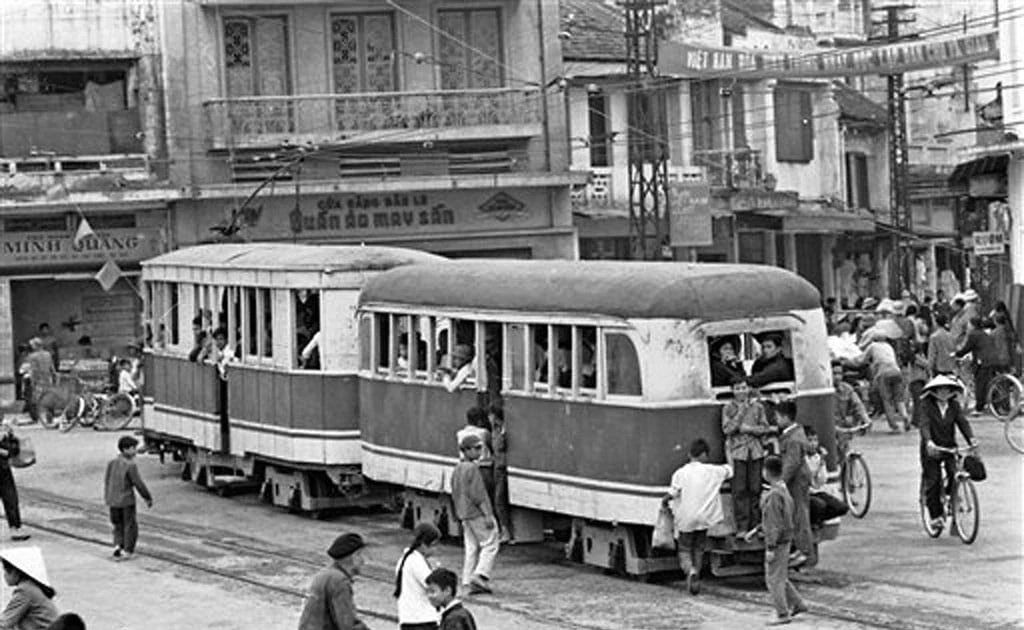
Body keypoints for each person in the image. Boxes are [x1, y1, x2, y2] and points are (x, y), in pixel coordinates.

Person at [662, 438, 732, 596]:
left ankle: (690, 571)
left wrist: (664, 503)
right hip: (705, 518)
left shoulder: (680, 473)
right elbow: (730, 469)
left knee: (685, 548)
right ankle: (697, 576)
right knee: (699, 548)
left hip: (686, 518)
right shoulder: (713, 471)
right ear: (705, 455)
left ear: (689, 454)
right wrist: (728, 450)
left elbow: (672, 494)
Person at [916, 375, 976, 532]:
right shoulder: (926, 405)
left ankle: (951, 499)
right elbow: (924, 424)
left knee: (954, 473)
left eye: (947, 390)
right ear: (934, 391)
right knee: (933, 480)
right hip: (932, 449)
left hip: (949, 446)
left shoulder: (954, 406)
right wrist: (929, 441)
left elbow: (963, 422)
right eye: (940, 390)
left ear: (951, 391)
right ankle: (935, 516)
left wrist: (971, 440)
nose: (943, 393)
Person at [757, 455, 807, 626]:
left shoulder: (772, 495)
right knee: (780, 576)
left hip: (776, 542)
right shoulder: (784, 491)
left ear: (766, 472)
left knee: (773, 580)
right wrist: (757, 529)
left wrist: (770, 547)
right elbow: (780, 517)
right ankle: (797, 603)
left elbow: (772, 523)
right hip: (786, 539)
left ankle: (782, 613)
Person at [720, 379, 772, 537]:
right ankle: (742, 527)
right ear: (732, 390)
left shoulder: (758, 407)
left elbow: (765, 428)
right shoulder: (728, 408)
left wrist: (750, 429)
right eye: (737, 388)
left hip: (755, 451)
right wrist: (742, 411)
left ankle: (756, 525)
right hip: (737, 453)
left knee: (756, 489)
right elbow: (727, 429)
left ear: (748, 388)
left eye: (744, 387)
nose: (741, 391)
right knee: (739, 490)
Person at [449, 433, 499, 595]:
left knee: (471, 547)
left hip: (463, 513)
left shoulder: (457, 469)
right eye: (476, 448)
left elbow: (454, 492)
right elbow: (478, 495)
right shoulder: (472, 469)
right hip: (476, 512)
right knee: (490, 543)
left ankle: (466, 581)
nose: (479, 451)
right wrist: (488, 515)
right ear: (467, 450)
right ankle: (480, 574)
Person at [298, 533, 369, 630]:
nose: (363, 561)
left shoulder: (326, 574)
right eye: (360, 555)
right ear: (353, 557)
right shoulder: (339, 581)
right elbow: (348, 625)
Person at [774, 400, 813, 568]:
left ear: (785, 417)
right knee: (798, 512)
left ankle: (804, 550)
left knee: (800, 514)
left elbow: (792, 462)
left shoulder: (793, 439)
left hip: (797, 479)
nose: (776, 421)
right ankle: (801, 548)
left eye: (777, 417)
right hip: (800, 477)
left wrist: (781, 480)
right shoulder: (797, 433)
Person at [845, 332, 909, 432]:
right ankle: (905, 416)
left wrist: (846, 361)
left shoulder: (873, 346)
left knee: (887, 400)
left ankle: (894, 427)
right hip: (896, 371)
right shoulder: (889, 346)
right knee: (899, 399)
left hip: (883, 373)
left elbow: (860, 360)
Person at [103, 436, 153, 561]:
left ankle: (117, 546)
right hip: (126, 500)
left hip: (112, 500)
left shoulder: (112, 463)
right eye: (133, 448)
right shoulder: (130, 465)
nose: (135, 451)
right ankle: (128, 550)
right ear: (125, 450)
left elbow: (107, 481)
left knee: (117, 525)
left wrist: (108, 497)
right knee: (130, 525)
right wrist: (147, 497)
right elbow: (138, 483)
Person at [395, 523, 442, 630]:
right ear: (423, 545)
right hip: (421, 619)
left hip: (409, 618)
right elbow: (432, 585)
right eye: (434, 545)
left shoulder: (405, 559)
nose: (437, 549)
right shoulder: (416, 562)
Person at [0, 547, 58, 630]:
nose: (4, 575)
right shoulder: (32, 586)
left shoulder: (25, 591)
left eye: (6, 571)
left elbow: (4, 622)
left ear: (16, 572)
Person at [955, 316, 999, 416]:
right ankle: (992, 403)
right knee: (988, 382)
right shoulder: (983, 333)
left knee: (980, 384)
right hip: (992, 359)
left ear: (973, 325)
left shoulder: (973, 334)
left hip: (983, 361)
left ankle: (979, 408)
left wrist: (957, 354)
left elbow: (967, 348)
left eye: (969, 324)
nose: (968, 326)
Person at [804, 427, 848, 526]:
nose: (813, 444)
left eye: (815, 440)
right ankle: (812, 523)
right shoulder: (801, 457)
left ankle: (817, 521)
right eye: (809, 440)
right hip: (803, 493)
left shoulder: (817, 457)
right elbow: (808, 478)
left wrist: (821, 463)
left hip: (815, 491)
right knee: (819, 505)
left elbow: (820, 482)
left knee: (841, 507)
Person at [455, 408, 494, 503]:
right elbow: (492, 447)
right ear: (479, 421)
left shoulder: (459, 434)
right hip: (483, 469)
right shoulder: (484, 433)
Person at [0, 418, 30, 541]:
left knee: (10, 498)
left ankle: (16, 527)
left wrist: (8, 433)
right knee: (9, 496)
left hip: (3, 468)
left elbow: (10, 450)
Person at [831, 362, 870, 453]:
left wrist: (865, 418)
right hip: (828, 430)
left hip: (843, 429)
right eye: (834, 373)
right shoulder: (825, 391)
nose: (837, 377)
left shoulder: (847, 389)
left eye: (840, 373)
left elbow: (858, 404)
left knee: (844, 454)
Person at [487, 406, 512, 544]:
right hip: (497, 466)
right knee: (497, 499)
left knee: (499, 500)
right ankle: (503, 530)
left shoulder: (502, 430)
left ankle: (506, 531)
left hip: (501, 467)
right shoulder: (495, 430)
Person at [926, 313, 957, 377]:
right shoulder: (951, 335)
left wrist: (930, 368)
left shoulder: (934, 337)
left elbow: (932, 354)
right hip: (951, 367)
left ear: (936, 323)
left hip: (939, 368)